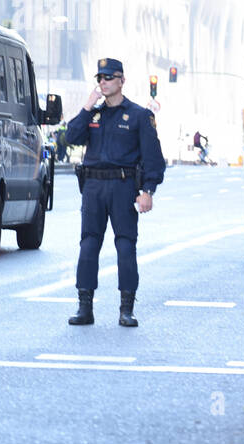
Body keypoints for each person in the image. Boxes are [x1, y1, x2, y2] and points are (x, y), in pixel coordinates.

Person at [63, 58, 166, 327]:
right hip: (94, 187)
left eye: (109, 77)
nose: (103, 82)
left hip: (123, 187)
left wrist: (148, 190)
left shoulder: (139, 116)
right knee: (88, 245)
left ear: (122, 80)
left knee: (125, 246)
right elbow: (71, 137)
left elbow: (154, 158)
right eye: (100, 78)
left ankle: (126, 309)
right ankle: (84, 307)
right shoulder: (94, 114)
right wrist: (87, 106)